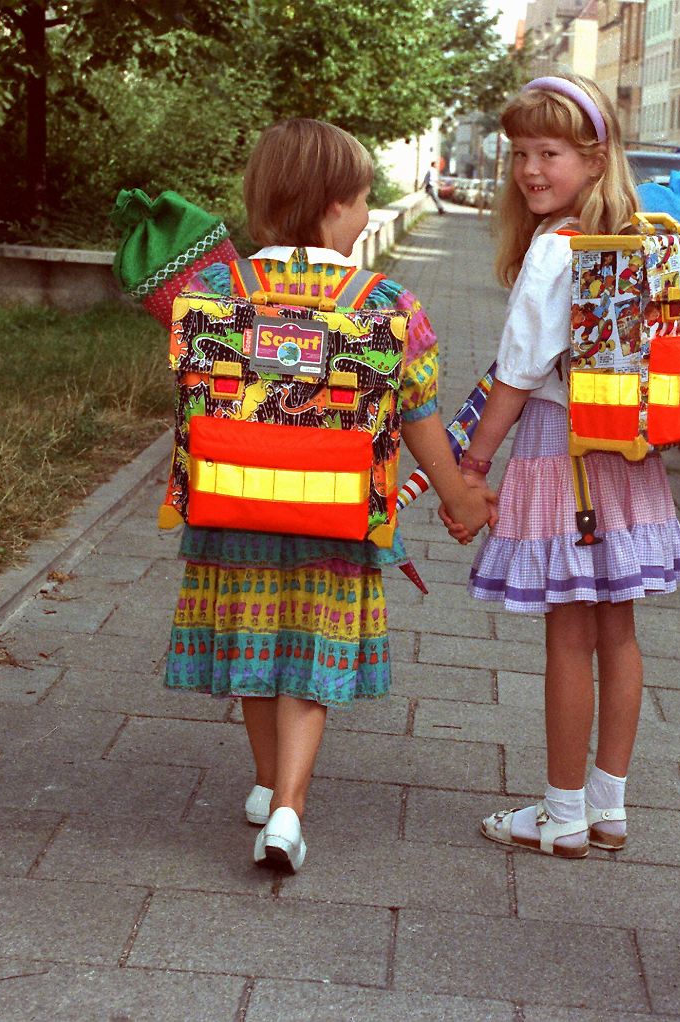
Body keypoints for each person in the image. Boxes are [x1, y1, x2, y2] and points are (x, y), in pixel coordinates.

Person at [163, 119, 491, 872]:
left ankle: (265, 779)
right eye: (364, 198)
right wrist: (462, 498)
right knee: (308, 655)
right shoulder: (387, 303)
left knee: (254, 640)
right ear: (333, 203)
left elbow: (190, 386)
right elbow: (418, 415)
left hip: (233, 500)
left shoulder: (215, 288)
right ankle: (288, 807)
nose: (370, 213)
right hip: (337, 510)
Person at [439, 74, 680, 858]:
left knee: (566, 636)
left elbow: (517, 374)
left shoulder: (555, 249)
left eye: (549, 152)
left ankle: (560, 810)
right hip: (626, 454)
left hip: (561, 452)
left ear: (594, 156)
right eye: (519, 153)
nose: (529, 169)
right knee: (618, 633)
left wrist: (473, 466)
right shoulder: (633, 236)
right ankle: (608, 805)